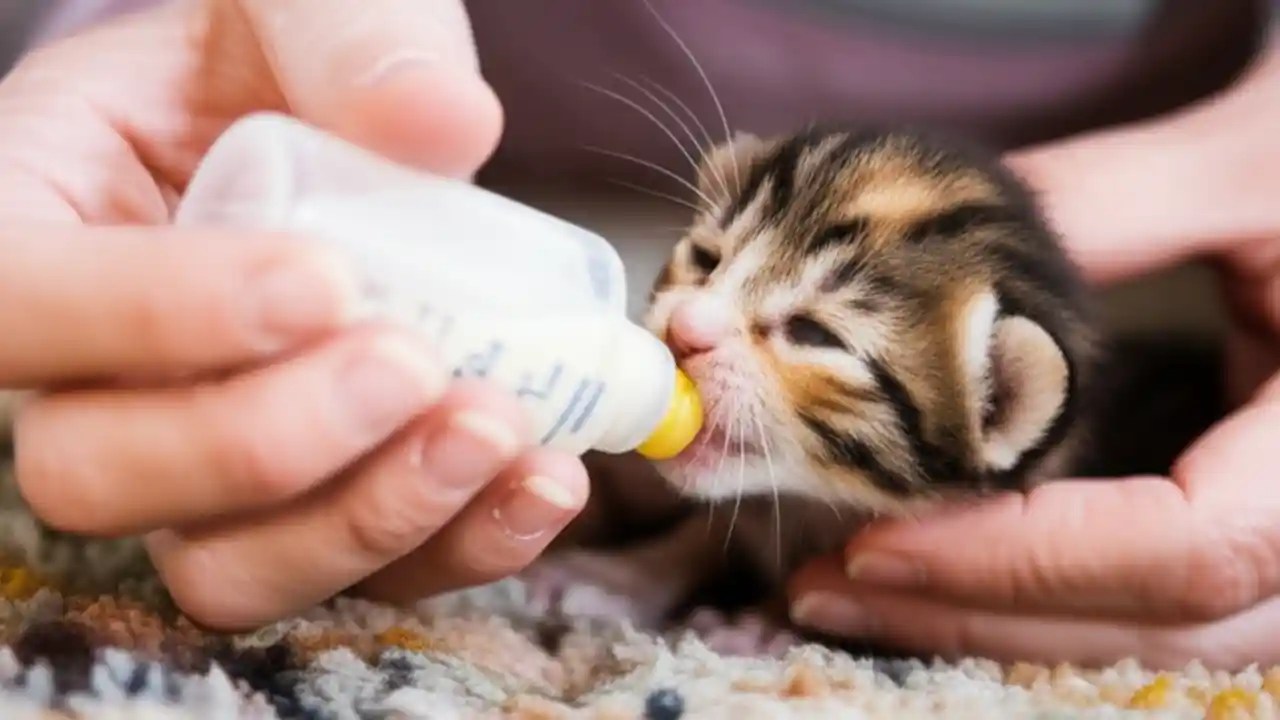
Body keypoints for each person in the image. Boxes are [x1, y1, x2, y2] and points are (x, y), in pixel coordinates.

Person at [2, 0, 1279, 671]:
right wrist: (111, 45)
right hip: (500, 195)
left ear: (995, 414)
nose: (686, 315)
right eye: (711, 256)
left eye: (815, 334)